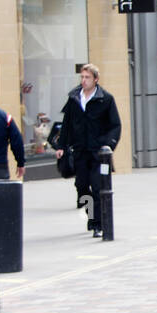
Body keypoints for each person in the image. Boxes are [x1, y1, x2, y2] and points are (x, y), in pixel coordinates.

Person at [55, 64, 121, 233]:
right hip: (80, 151)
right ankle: (91, 215)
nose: (83, 81)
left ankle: (97, 224)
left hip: (98, 152)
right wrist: (61, 145)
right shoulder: (74, 98)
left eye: (87, 77)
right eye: (82, 77)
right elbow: (67, 124)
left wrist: (108, 144)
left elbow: (115, 125)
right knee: (82, 186)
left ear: (96, 79)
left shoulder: (105, 99)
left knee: (98, 187)